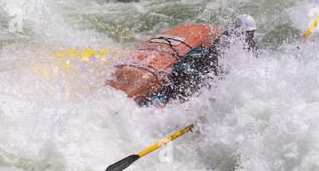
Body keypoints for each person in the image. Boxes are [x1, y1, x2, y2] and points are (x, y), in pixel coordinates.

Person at [106, 15, 257, 106]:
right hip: (195, 69)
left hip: (201, 70)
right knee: (178, 84)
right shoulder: (225, 40)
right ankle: (146, 102)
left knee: (188, 83)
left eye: (251, 33)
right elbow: (213, 65)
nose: (249, 36)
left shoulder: (250, 45)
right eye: (247, 33)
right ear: (238, 29)